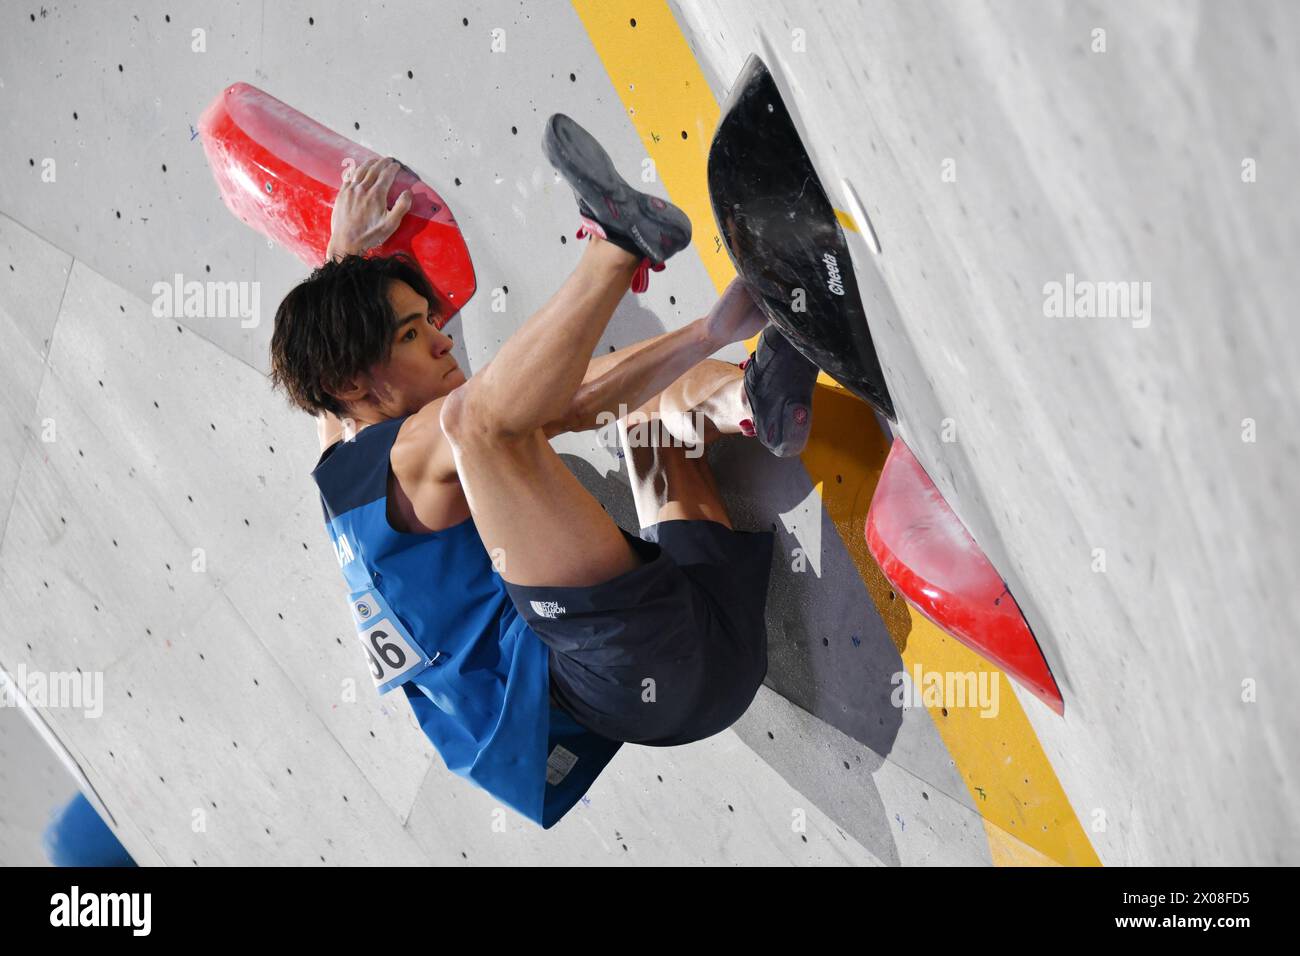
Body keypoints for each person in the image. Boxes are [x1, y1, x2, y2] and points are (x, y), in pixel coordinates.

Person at [269, 115, 820, 827]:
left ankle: (751, 397)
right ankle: (616, 245)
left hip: (698, 666)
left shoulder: (342, 476)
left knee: (638, 426)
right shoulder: (411, 457)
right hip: (618, 667)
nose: (442, 341)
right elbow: (498, 414)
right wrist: (616, 258)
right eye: (412, 333)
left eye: (429, 321)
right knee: (484, 420)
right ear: (358, 381)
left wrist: (711, 332)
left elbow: (343, 409)